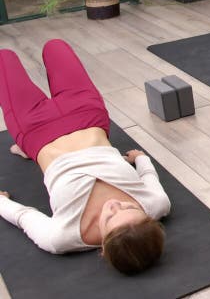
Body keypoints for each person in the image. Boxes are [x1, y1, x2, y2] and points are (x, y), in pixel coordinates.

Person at [0, 39, 171, 275]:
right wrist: (141, 158)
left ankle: (27, 150)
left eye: (111, 216)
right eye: (128, 206)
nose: (114, 205)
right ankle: (27, 152)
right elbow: (150, 176)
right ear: (149, 218)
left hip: (35, 130)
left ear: (103, 247)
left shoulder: (62, 238)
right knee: (55, 46)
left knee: (4, 58)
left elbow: (23, 217)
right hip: (86, 113)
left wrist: (2, 202)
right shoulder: (157, 205)